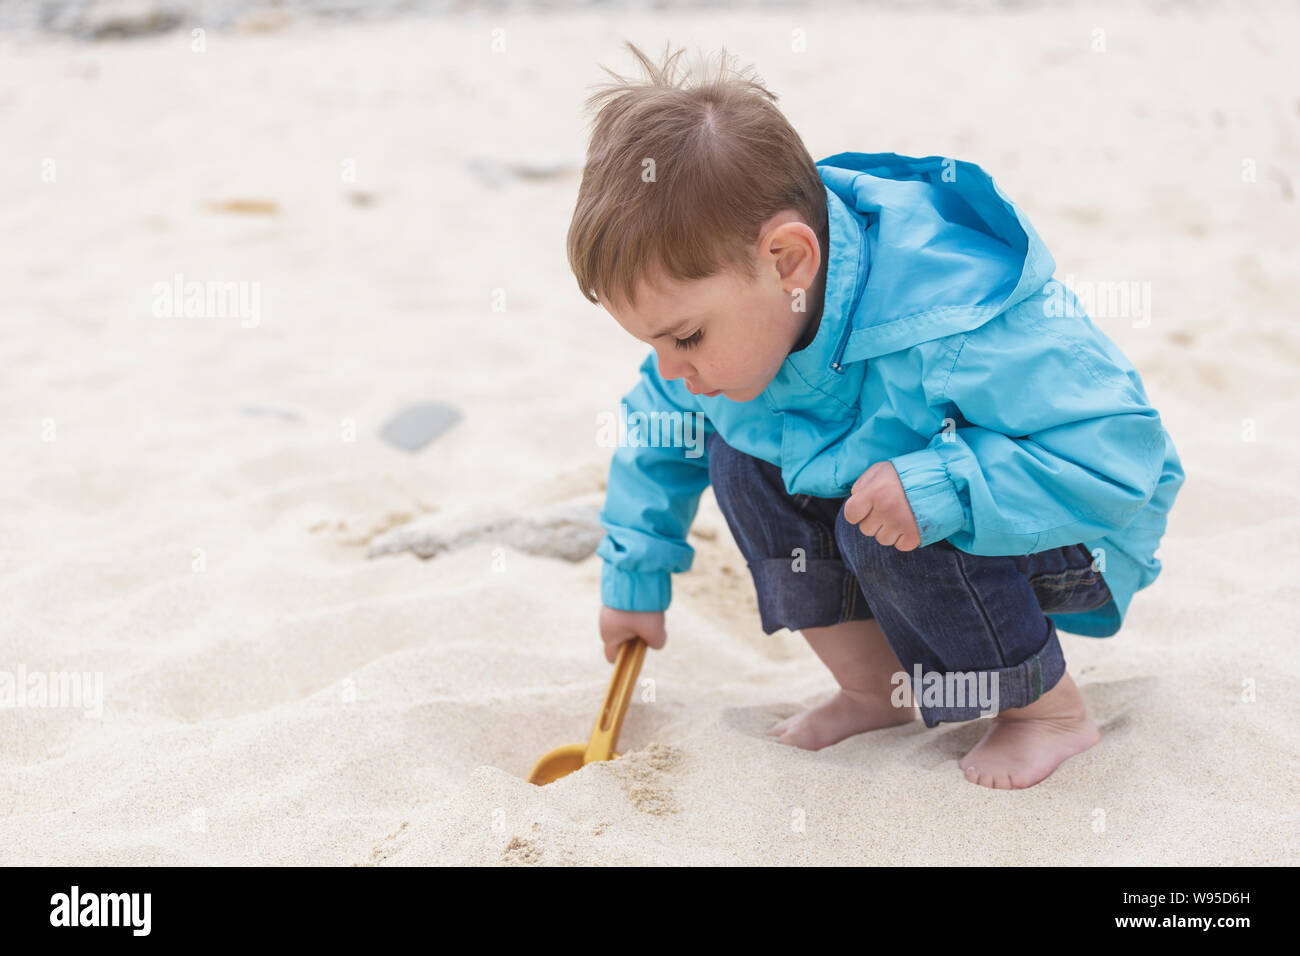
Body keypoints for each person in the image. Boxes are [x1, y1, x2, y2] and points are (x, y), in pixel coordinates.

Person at [566, 42, 1184, 789]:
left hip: (1067, 535)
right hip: (905, 511)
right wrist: (633, 584)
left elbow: (1116, 456)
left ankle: (1044, 711)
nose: (670, 367)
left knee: (891, 502)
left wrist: (946, 483)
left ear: (789, 260)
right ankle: (874, 690)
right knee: (737, 450)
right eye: (654, 342)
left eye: (686, 336)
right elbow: (658, 436)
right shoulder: (740, 328)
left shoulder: (953, 317)